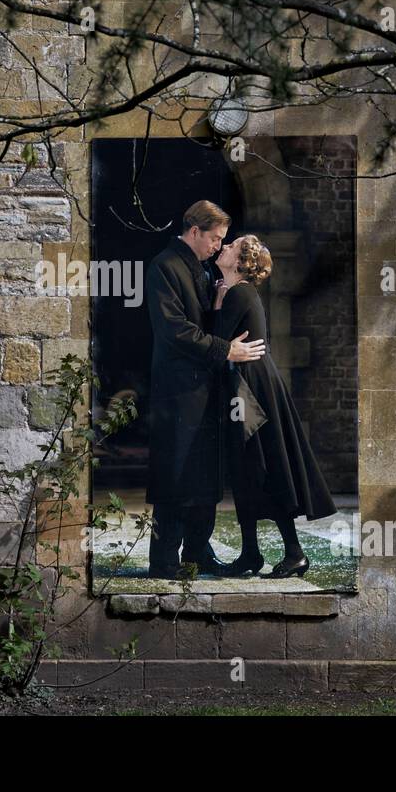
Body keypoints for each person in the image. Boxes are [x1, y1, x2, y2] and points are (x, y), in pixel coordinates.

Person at [143, 201, 265, 579]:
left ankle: (197, 553)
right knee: (175, 477)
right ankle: (164, 561)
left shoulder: (201, 268)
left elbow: (205, 323)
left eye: (222, 240)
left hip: (206, 391)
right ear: (194, 231)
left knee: (205, 478)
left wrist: (215, 307)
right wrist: (225, 348)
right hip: (178, 394)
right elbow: (173, 329)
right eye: (215, 238)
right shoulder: (164, 266)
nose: (218, 246)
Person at [212, 235, 337, 578]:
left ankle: (293, 552)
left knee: (261, 466)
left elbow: (216, 339)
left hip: (250, 389)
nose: (224, 246)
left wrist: (220, 300)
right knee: (249, 467)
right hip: (248, 386)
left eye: (232, 245)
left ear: (239, 262)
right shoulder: (237, 292)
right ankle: (251, 553)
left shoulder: (238, 293)